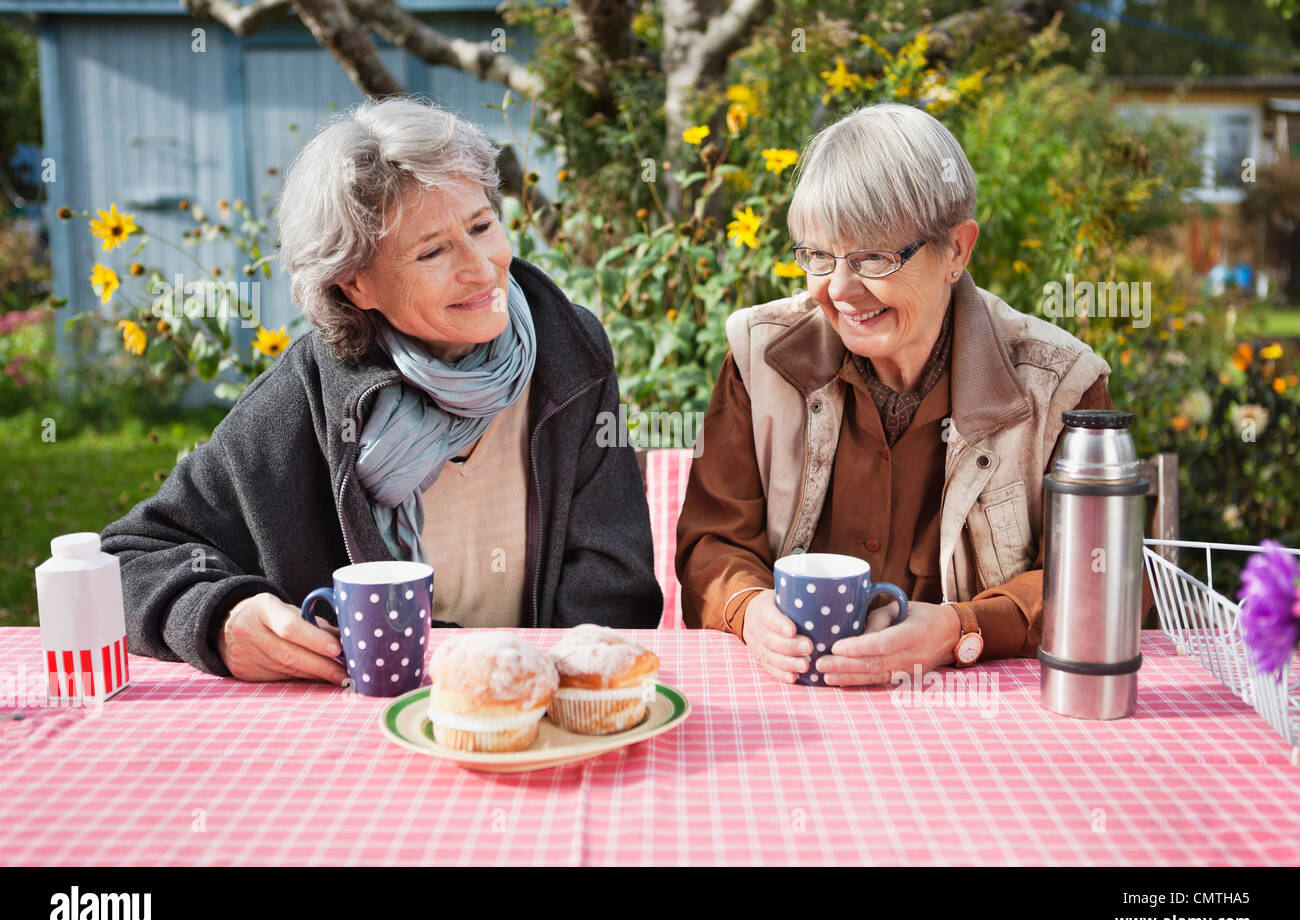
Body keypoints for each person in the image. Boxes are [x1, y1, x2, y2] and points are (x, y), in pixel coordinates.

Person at [101, 96, 661, 685]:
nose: (480, 268)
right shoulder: (306, 395)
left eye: (481, 225)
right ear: (357, 284)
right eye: (433, 251)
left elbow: (613, 589)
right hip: (365, 720)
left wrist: (539, 691)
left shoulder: (569, 354)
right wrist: (218, 618)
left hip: (534, 707)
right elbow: (127, 558)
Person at [675, 102, 1115, 686]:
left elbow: (1100, 578)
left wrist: (961, 629)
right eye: (819, 256)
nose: (840, 289)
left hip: (985, 721)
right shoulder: (761, 359)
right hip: (794, 709)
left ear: (956, 249)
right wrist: (752, 612)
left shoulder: (1061, 385)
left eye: (874, 258)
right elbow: (713, 542)